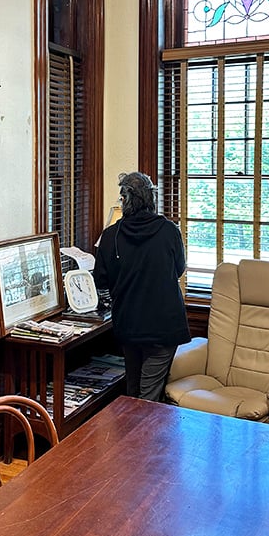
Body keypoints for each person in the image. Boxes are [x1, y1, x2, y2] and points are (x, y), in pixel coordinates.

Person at [93, 171, 190, 401]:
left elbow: (101, 281)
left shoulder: (110, 236)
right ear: (151, 198)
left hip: (128, 326)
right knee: (148, 397)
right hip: (163, 327)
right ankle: (142, 436)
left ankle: (134, 435)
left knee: (133, 391)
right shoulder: (169, 231)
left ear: (125, 200)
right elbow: (179, 269)